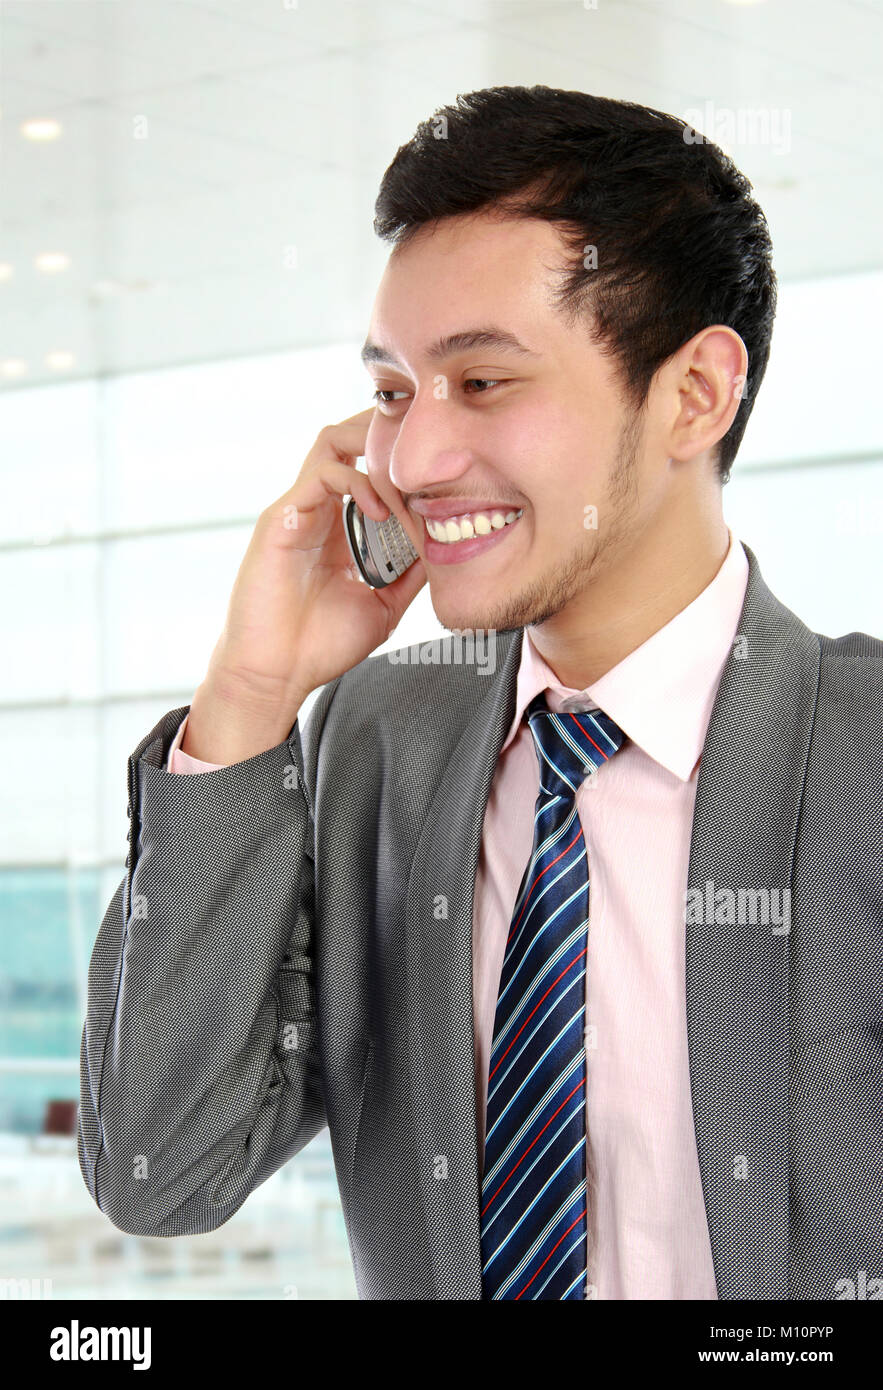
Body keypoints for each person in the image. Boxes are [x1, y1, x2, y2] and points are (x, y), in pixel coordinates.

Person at [78, 86, 883, 1300]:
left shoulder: (860, 753)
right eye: (395, 390)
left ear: (695, 395)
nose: (412, 460)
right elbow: (160, 1167)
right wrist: (250, 691)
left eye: (484, 383)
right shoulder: (377, 746)